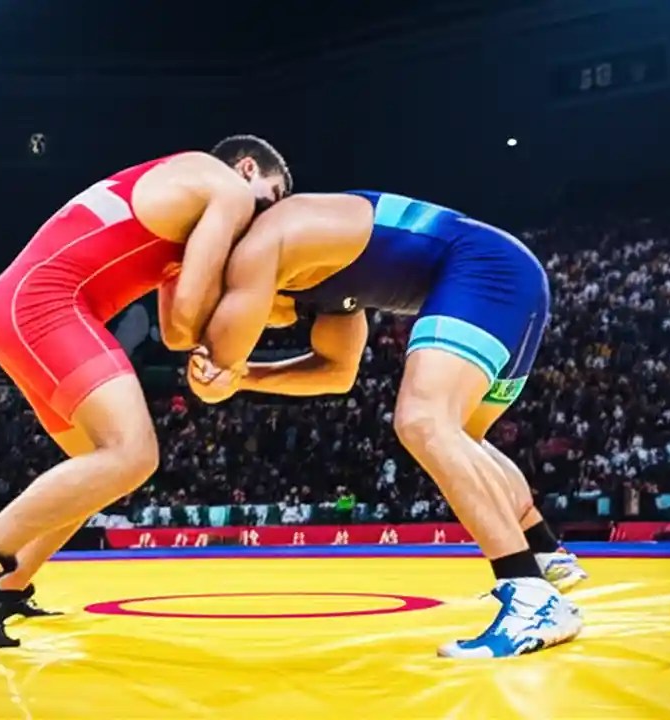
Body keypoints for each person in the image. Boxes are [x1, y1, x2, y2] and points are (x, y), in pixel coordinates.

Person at [0, 136, 292, 650]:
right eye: (268, 201)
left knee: (100, 470)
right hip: (46, 303)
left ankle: (6, 583)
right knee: (132, 454)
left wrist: (236, 319)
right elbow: (189, 317)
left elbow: (174, 332)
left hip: (21, 304)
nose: (262, 222)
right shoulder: (225, 187)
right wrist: (261, 308)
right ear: (246, 168)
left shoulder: (189, 199)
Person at [188, 191, 585, 658]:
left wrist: (219, 364)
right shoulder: (330, 289)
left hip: (485, 269)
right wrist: (245, 378)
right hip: (513, 280)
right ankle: (543, 551)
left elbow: (216, 335)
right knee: (461, 438)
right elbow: (337, 374)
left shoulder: (280, 228)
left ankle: (531, 594)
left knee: (423, 419)